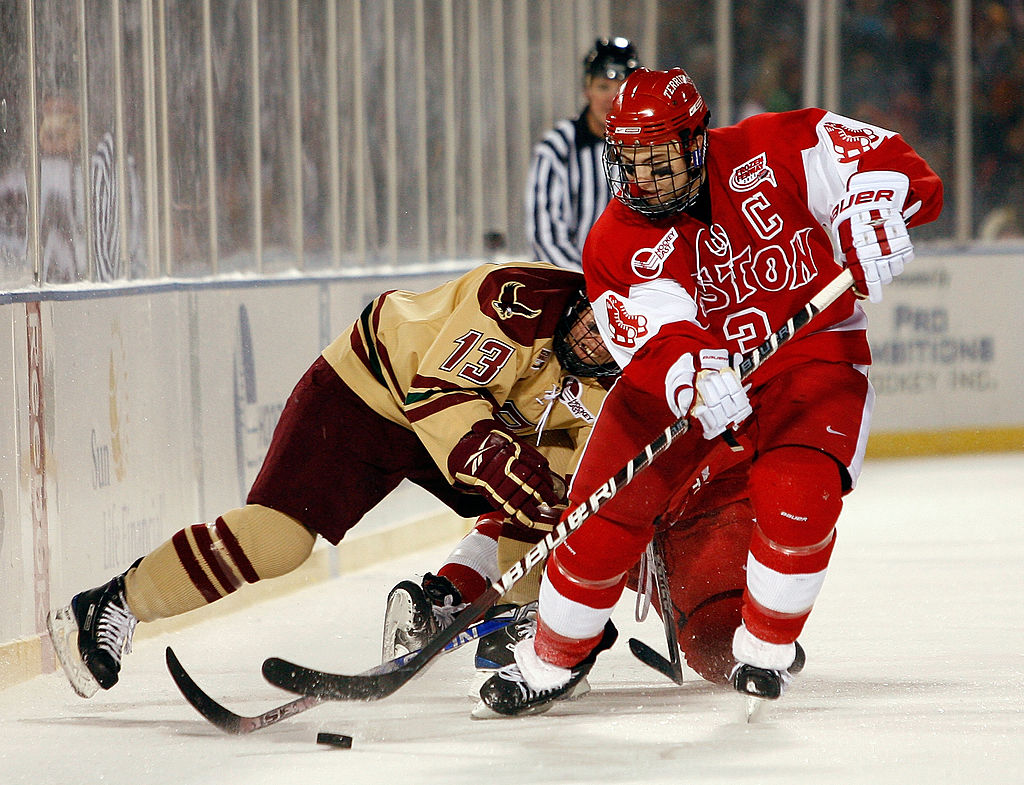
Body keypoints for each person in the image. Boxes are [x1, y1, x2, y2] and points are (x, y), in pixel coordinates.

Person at [477, 67, 943, 717]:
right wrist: (692, 372)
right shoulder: (614, 239)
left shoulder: (775, 147)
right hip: (677, 389)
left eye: (659, 159)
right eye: (629, 161)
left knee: (800, 491)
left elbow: (884, 159)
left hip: (803, 361)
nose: (642, 178)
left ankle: (767, 647)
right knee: (602, 510)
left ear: (697, 140)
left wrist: (875, 203)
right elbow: (654, 333)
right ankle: (552, 658)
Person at [46, 260, 619, 699]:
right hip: (370, 389)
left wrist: (564, 564)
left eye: (614, 340)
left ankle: (510, 634)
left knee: (551, 508)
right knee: (277, 541)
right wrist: (516, 473)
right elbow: (443, 396)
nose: (594, 341)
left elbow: (575, 478)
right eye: (594, 320)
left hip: (475, 427)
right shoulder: (520, 298)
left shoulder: (621, 383)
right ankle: (115, 601)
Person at [525, 37, 640, 271]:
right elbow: (546, 238)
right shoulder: (557, 148)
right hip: (577, 291)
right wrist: (592, 286)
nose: (612, 98)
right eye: (603, 87)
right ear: (587, 90)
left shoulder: (653, 147)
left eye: (622, 88)